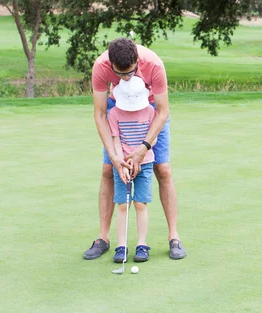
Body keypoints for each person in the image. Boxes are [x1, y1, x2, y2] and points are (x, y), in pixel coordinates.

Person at [83, 37, 186, 260]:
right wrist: (113, 155)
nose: (125, 78)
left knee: (163, 169)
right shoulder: (101, 67)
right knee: (108, 169)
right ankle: (103, 238)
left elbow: (162, 110)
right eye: (120, 74)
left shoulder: (154, 64)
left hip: (149, 108)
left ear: (137, 62)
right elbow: (100, 113)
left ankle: (174, 237)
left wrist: (144, 148)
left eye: (130, 72)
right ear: (111, 65)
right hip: (118, 107)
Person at [108, 76, 156, 263]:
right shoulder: (114, 114)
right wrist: (121, 162)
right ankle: (121, 246)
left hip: (145, 163)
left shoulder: (150, 111)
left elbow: (153, 140)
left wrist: (139, 156)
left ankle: (142, 245)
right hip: (122, 165)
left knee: (140, 204)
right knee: (122, 205)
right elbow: (116, 140)